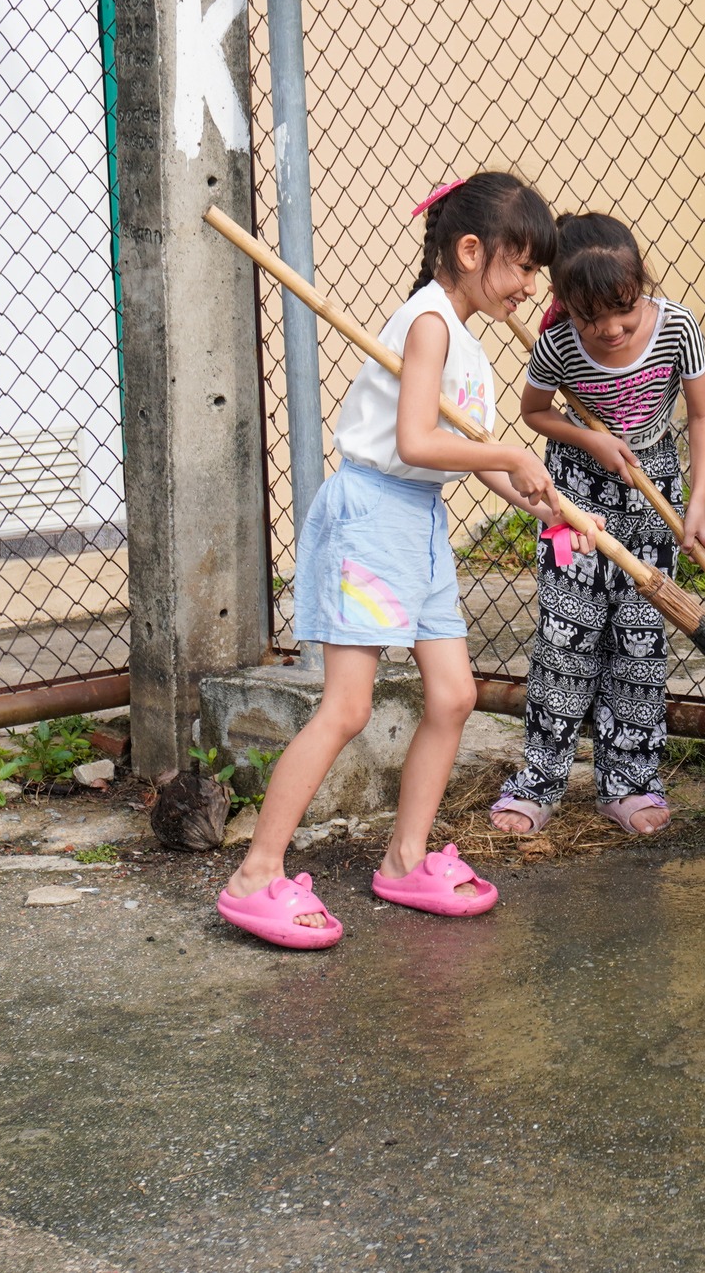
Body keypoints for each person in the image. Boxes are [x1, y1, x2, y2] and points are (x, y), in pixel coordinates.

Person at [217, 172, 570, 950]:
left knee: (453, 694)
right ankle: (255, 873)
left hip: (419, 522)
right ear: (471, 251)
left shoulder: (462, 337)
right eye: (523, 266)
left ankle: (405, 860)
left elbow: (463, 450)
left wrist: (535, 501)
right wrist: (511, 453)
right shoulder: (429, 323)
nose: (530, 286)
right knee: (346, 708)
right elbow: (415, 440)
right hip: (373, 520)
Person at [491, 212, 705, 839]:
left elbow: (702, 416)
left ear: (641, 285)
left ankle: (630, 782)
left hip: (654, 496)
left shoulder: (677, 328)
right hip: (574, 502)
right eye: (593, 318)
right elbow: (535, 413)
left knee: (640, 644)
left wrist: (696, 503)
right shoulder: (559, 345)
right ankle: (539, 781)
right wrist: (590, 439)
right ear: (565, 304)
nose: (613, 329)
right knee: (568, 639)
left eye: (624, 310)